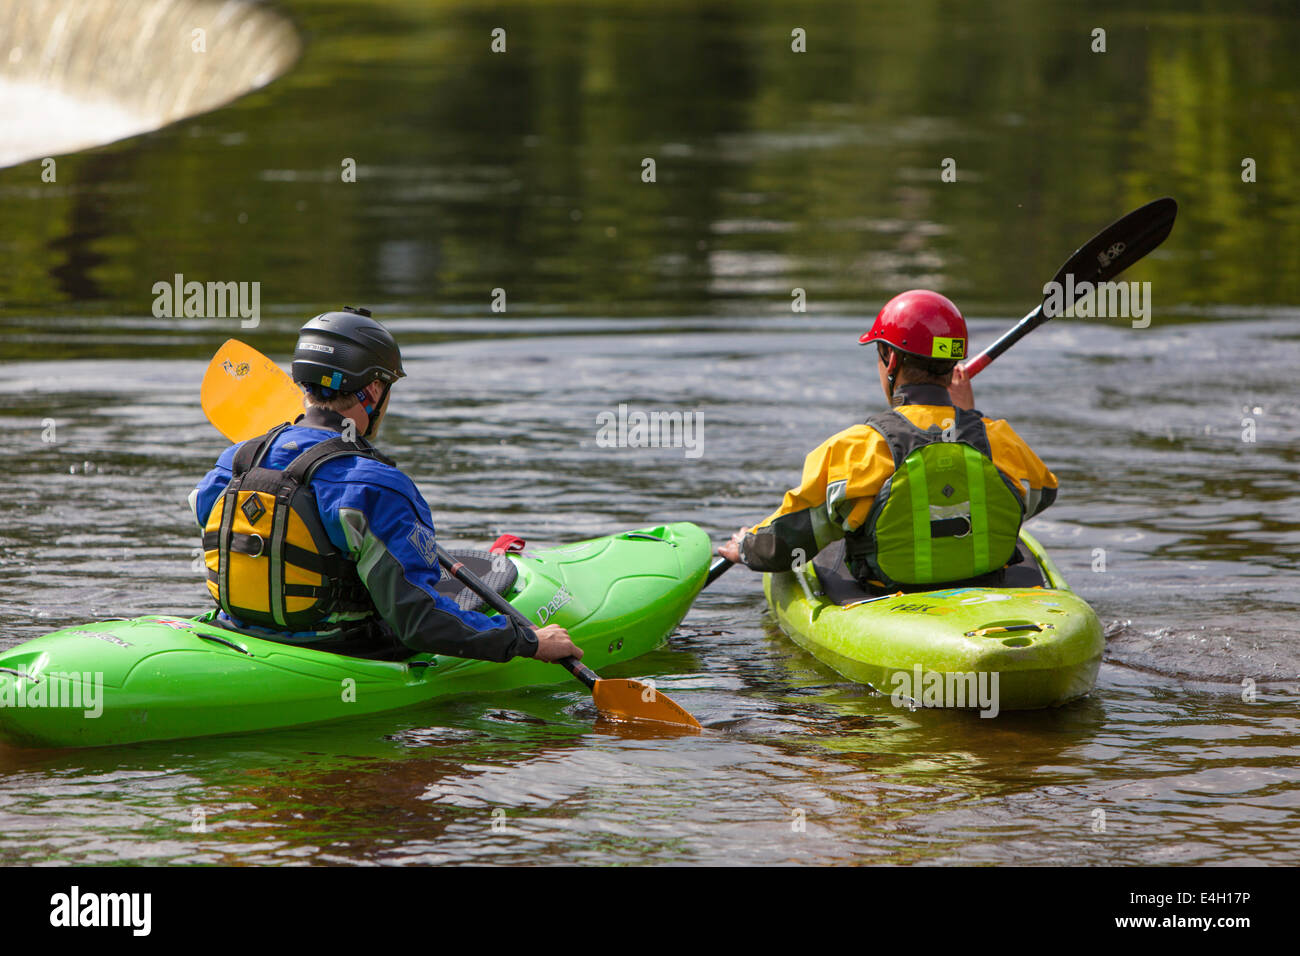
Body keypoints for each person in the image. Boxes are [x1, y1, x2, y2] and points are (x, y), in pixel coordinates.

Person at [190, 306, 581, 662]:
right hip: (338, 648)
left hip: (236, 631)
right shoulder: (378, 487)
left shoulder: (237, 461)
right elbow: (420, 623)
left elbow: (203, 509)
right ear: (374, 391)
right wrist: (528, 641)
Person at [717, 290, 1058, 591]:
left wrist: (747, 547)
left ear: (890, 359)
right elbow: (1041, 495)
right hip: (985, 590)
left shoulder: (856, 448)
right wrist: (968, 419)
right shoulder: (997, 437)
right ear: (953, 362)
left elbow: (790, 542)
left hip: (887, 598)